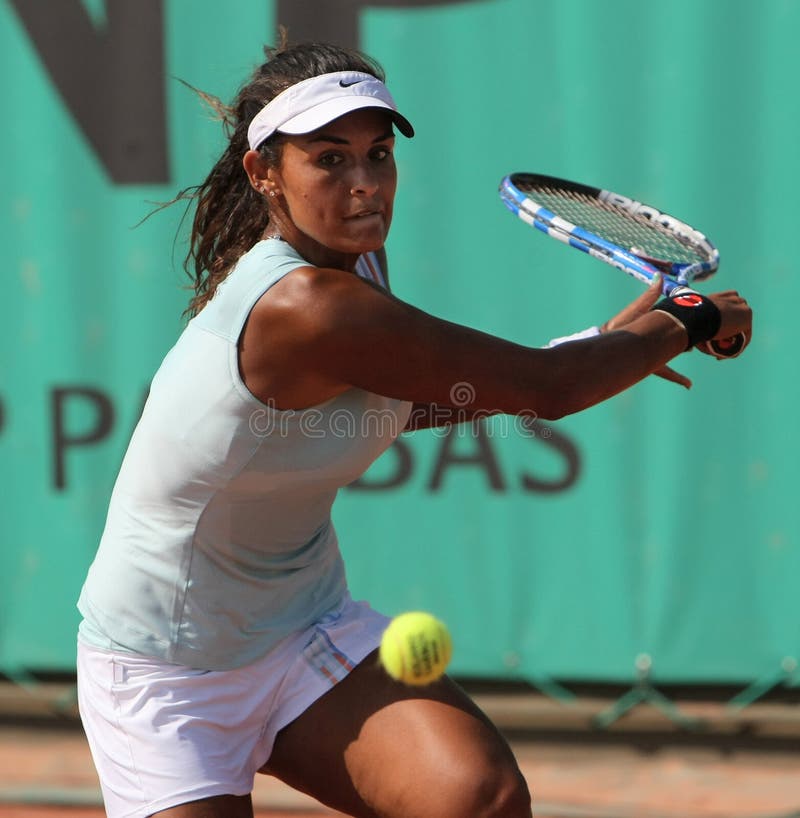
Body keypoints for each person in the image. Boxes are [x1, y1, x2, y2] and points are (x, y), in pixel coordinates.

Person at [75, 37, 752, 818]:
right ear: (266, 175)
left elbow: (410, 396)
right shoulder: (306, 307)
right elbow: (547, 392)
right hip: (164, 670)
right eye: (329, 161)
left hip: (304, 631)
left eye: (378, 155)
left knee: (480, 798)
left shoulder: (352, 263)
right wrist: (690, 317)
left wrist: (602, 349)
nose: (365, 186)